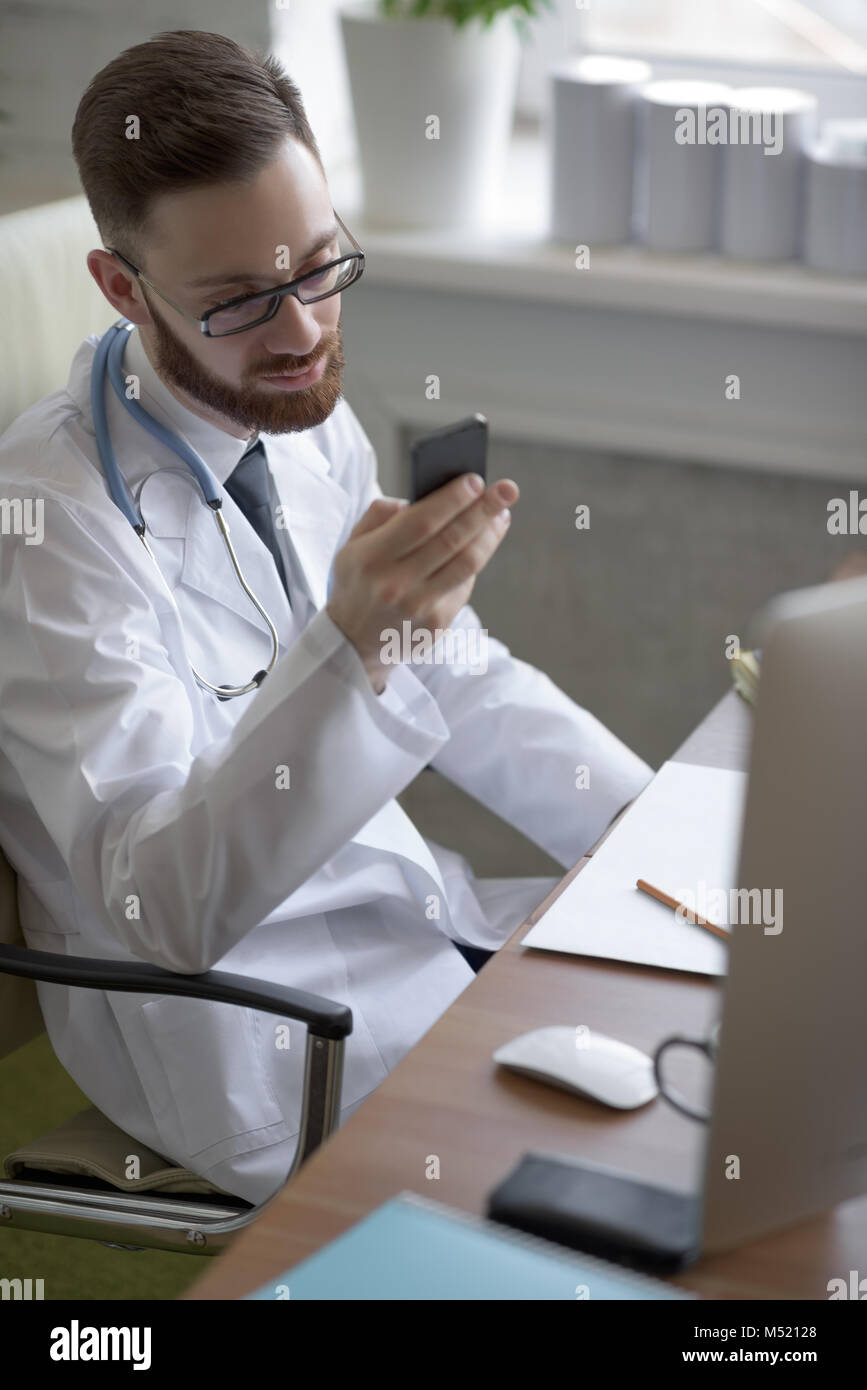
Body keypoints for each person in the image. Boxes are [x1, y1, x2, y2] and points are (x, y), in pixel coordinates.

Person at [0, 30, 653, 1205]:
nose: (300, 331)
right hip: (253, 1040)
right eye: (240, 299)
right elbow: (164, 907)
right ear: (120, 288)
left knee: (706, 1018)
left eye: (318, 267)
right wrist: (353, 652)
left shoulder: (290, 417)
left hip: (404, 938)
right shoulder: (48, 534)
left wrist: (653, 842)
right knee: (640, 1198)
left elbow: (459, 669)